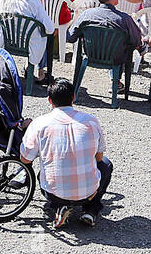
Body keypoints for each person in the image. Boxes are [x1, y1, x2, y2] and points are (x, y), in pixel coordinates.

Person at [21, 79, 112, 228]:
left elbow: (25, 159)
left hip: (54, 192)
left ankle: (59, 206)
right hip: (88, 193)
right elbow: (99, 157)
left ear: (50, 100)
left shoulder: (39, 124)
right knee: (106, 164)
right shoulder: (91, 121)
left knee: (43, 172)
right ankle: (90, 210)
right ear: (73, 97)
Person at [68, 0, 143, 97]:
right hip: (115, 58)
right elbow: (136, 41)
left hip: (90, 54)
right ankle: (117, 82)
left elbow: (71, 37)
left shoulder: (86, 15)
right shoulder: (124, 19)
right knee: (125, 46)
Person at [0, 0, 56, 84]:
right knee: (45, 35)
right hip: (30, 45)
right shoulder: (31, 1)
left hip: (7, 42)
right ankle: (40, 72)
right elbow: (50, 28)